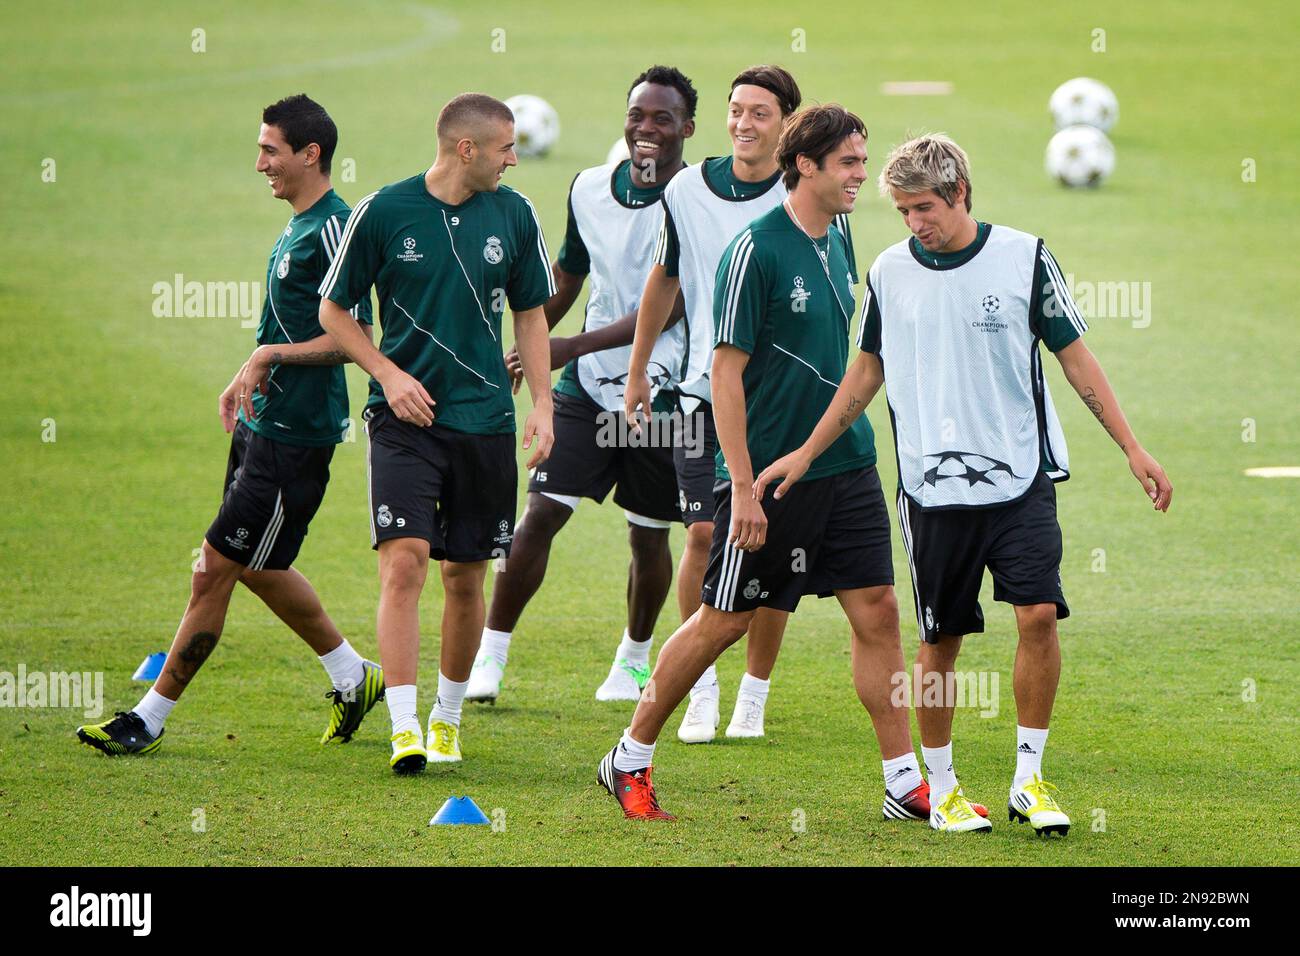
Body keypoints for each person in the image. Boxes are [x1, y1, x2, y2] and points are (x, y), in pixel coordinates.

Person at [756, 133, 1173, 835]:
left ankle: (1030, 780)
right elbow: (864, 375)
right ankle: (943, 787)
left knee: (1039, 615)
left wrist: (1132, 448)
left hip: (1019, 478)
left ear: (960, 195)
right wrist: (804, 453)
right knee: (941, 640)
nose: (915, 222)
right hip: (931, 492)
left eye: (925, 208)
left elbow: (1076, 360)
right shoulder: (888, 272)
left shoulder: (1025, 258)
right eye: (904, 211)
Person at [597, 106, 933, 824]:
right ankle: (628, 755)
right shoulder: (756, 250)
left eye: (862, 160)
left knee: (877, 610)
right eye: (848, 162)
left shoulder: (840, 233)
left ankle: (904, 783)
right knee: (723, 621)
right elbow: (723, 374)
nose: (861, 175)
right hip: (768, 480)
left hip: (845, 464)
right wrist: (742, 487)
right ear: (805, 164)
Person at [77, 94, 383, 756]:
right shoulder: (299, 224)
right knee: (256, 566)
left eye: (270, 150)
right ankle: (353, 675)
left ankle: (148, 718)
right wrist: (252, 364)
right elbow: (289, 324)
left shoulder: (334, 229)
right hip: (263, 424)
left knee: (213, 568)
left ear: (311, 154)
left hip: (295, 439)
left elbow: (358, 340)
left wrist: (270, 355)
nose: (259, 164)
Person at [318, 93, 555, 774]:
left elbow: (531, 314)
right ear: (466, 149)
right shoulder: (385, 212)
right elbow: (335, 311)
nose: (516, 158)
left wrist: (542, 404)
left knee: (463, 577)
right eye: (506, 147)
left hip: (484, 421)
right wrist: (387, 375)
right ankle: (403, 727)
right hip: (404, 423)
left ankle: (447, 720)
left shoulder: (513, 214)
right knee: (404, 562)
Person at [466, 66, 697, 704]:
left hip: (664, 396)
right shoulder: (589, 188)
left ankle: (633, 657)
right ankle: (490, 653)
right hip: (588, 389)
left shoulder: (698, 201)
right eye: (638, 115)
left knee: (648, 533)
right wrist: (537, 347)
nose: (647, 129)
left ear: (688, 129)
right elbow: (568, 277)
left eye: (662, 119)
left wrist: (575, 345)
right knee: (539, 514)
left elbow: (674, 303)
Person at [624, 65, 837, 742]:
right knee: (704, 534)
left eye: (760, 113)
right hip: (699, 393)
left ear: (787, 125)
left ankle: (755, 692)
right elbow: (665, 278)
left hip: (782, 402)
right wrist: (636, 373)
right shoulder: (686, 189)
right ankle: (702, 686)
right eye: (736, 110)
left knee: (771, 545)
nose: (744, 124)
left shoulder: (801, 192)